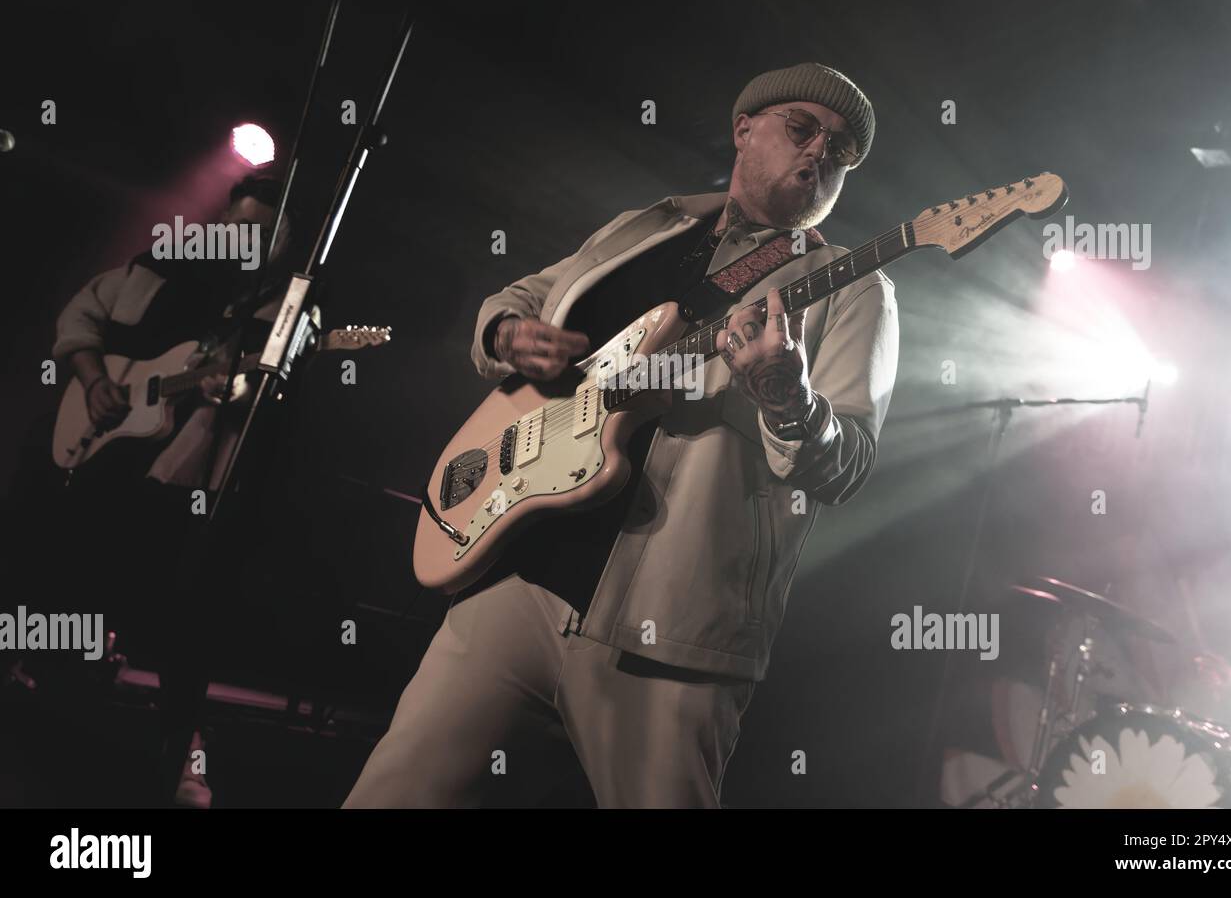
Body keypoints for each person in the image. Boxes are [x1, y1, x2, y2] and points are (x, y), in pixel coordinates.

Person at [345, 62, 900, 807]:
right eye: (803, 129)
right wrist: (508, 334)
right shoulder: (645, 226)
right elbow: (520, 298)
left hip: (670, 632)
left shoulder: (851, 284)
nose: (818, 155)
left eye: (838, 151)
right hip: (519, 579)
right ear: (745, 129)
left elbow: (848, 468)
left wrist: (787, 398)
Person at [47, 174, 295, 807]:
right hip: (111, 463)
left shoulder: (283, 303)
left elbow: (273, 370)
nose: (247, 241)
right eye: (239, 227)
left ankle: (178, 761)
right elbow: (80, 313)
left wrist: (232, 387)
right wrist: (94, 377)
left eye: (263, 233)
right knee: (78, 581)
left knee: (181, 620)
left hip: (188, 484)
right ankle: (59, 728)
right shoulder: (160, 265)